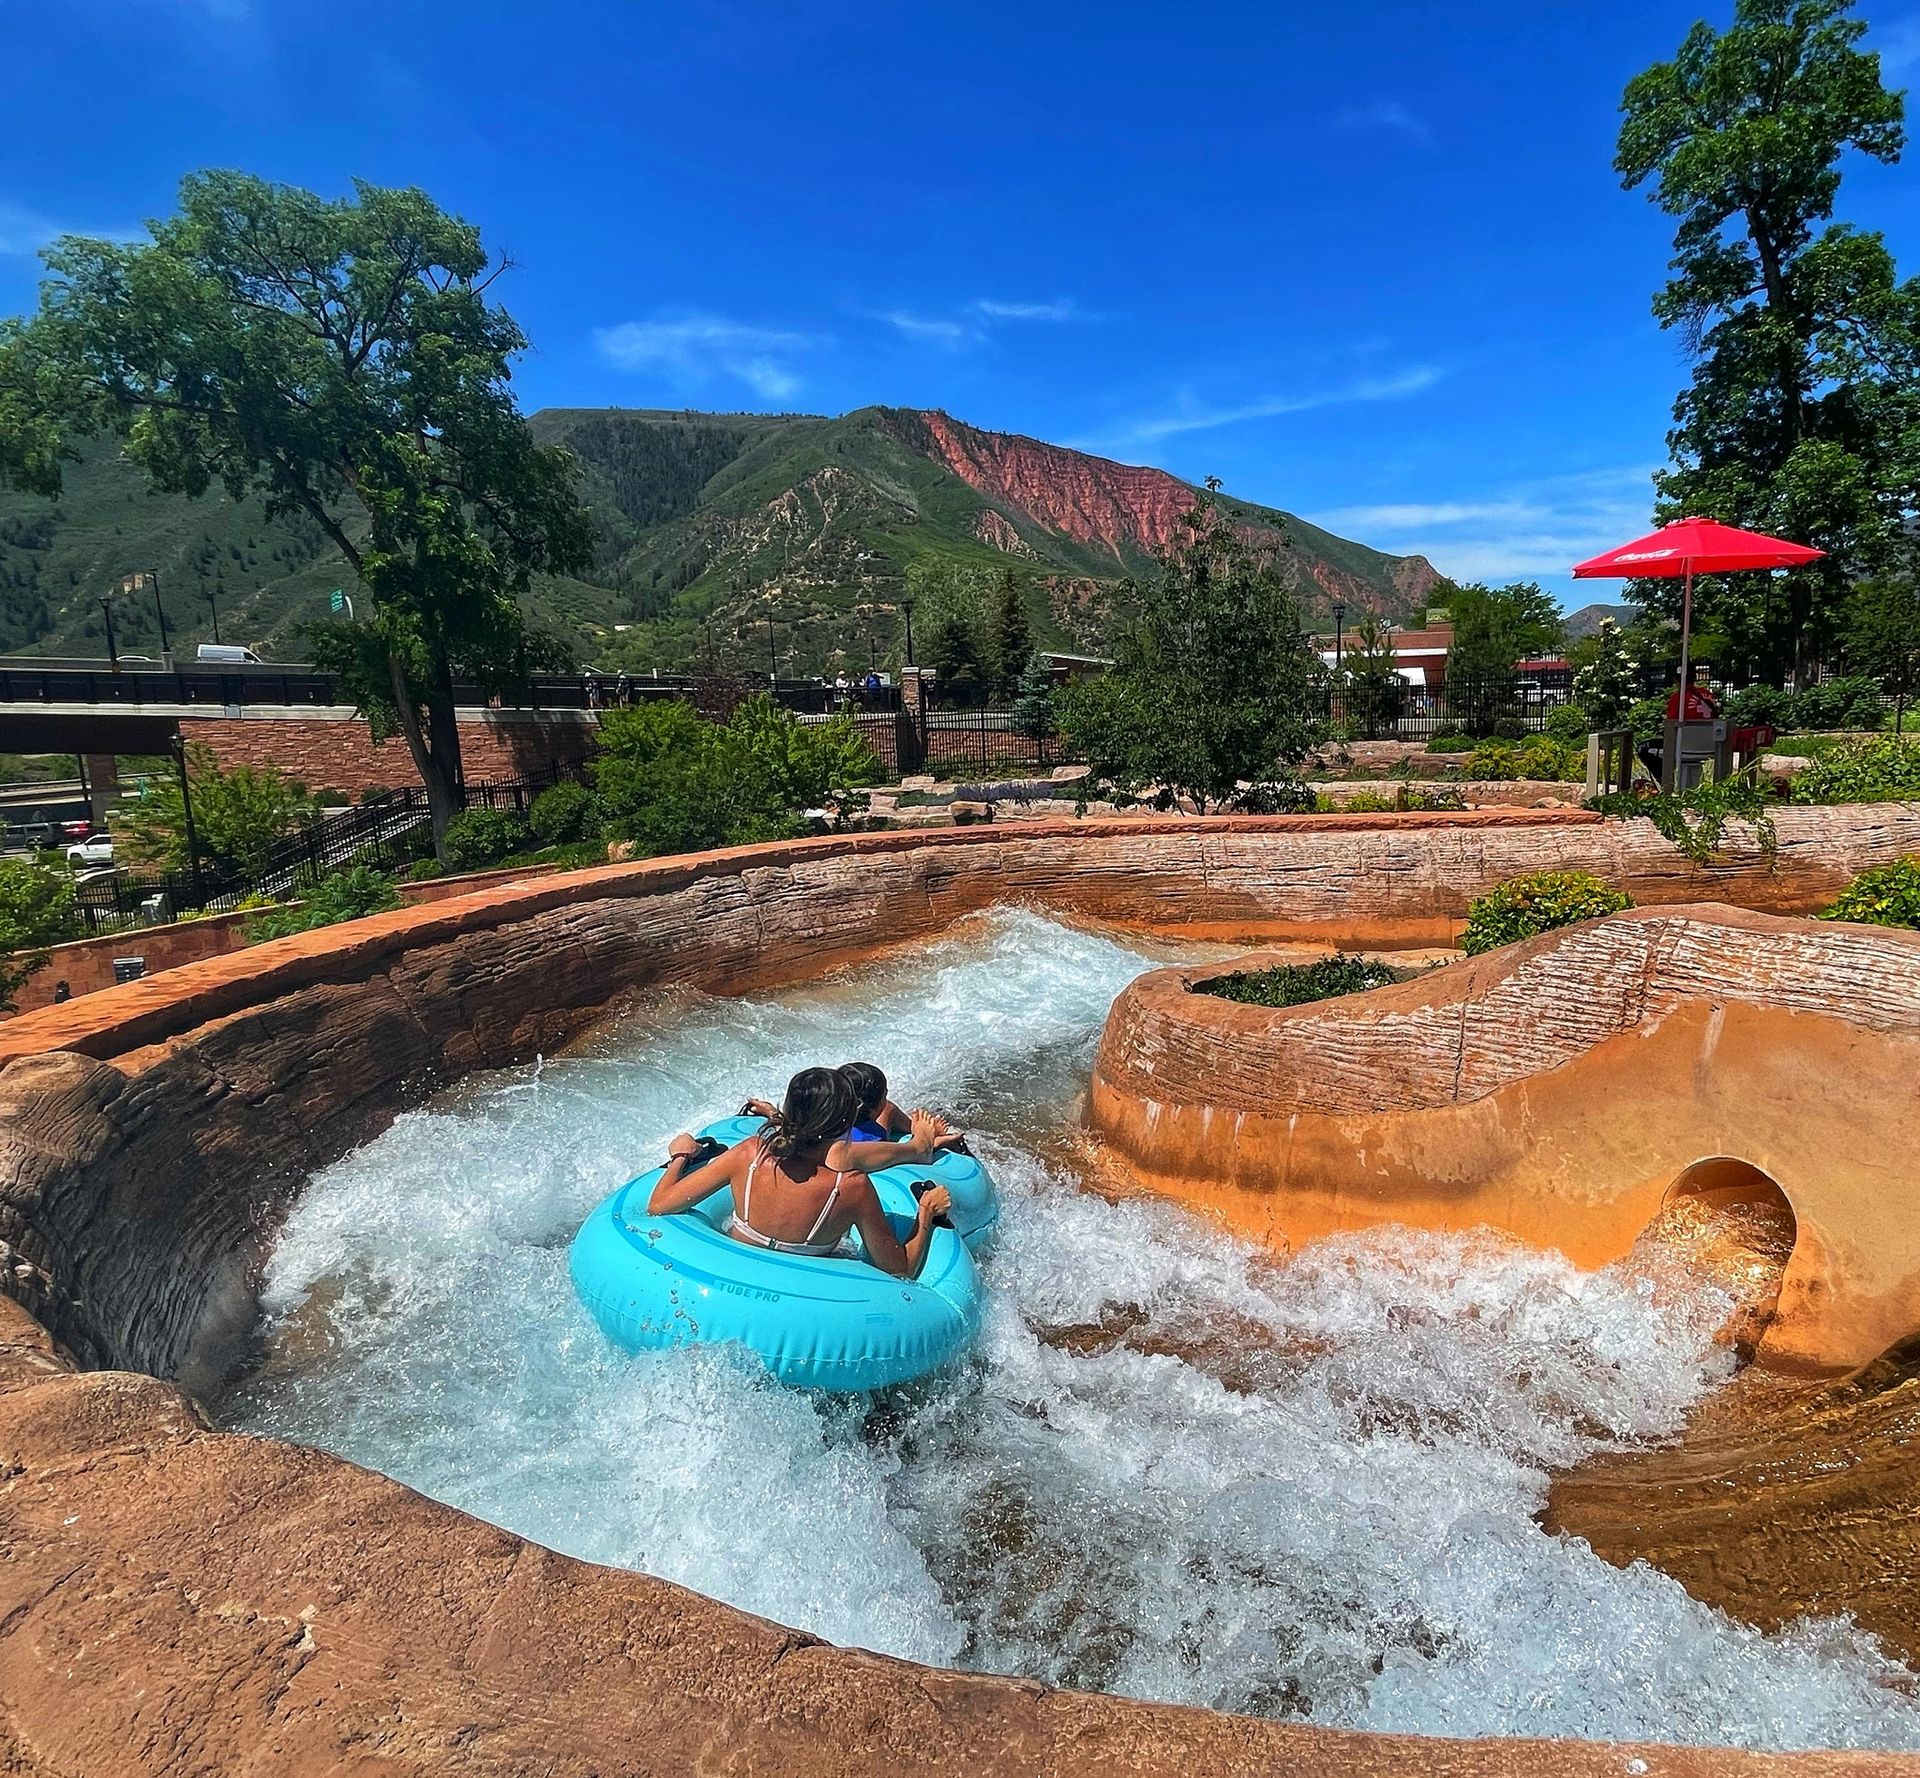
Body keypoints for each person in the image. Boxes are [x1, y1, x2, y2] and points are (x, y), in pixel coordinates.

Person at [649, 1067, 950, 1276]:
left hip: (731, 1270)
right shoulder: (850, 1187)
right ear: (848, 1121)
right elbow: (898, 1268)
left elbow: (659, 1204)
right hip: (802, 1301)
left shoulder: (750, 1154)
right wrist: (926, 1214)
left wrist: (681, 1155)